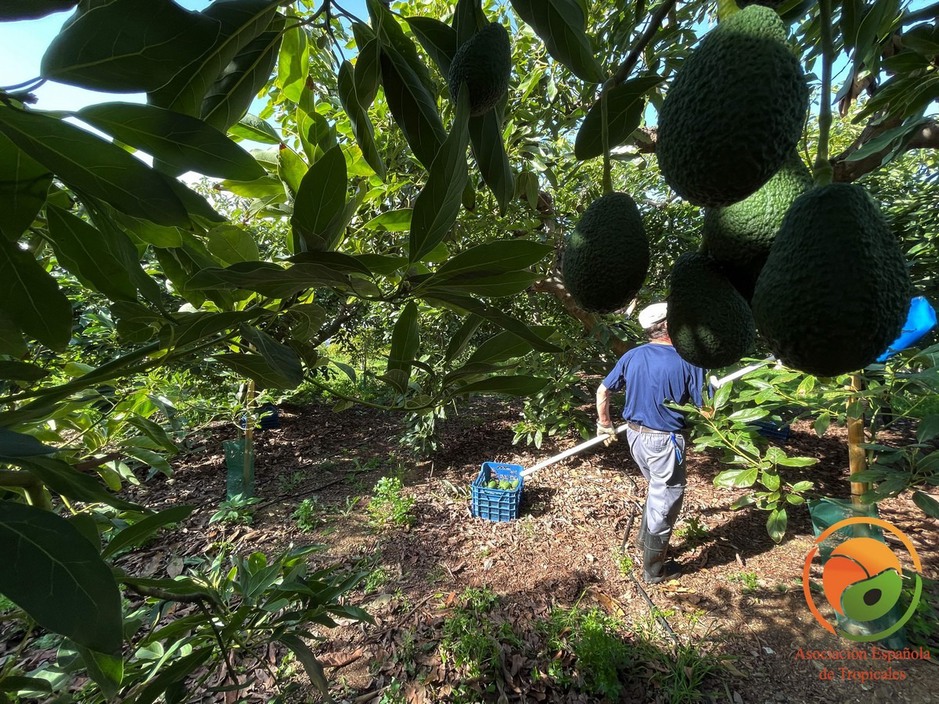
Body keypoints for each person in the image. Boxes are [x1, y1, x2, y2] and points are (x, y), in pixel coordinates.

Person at [595, 302, 706, 584]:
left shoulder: (632, 355)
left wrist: (605, 424)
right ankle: (654, 570)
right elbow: (707, 407)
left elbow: (603, 391)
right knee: (666, 499)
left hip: (635, 437)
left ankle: (643, 542)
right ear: (668, 326)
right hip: (664, 441)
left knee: (657, 490)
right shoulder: (688, 360)